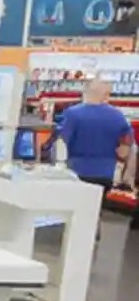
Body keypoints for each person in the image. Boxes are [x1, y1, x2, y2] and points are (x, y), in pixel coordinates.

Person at [57, 80, 133, 223]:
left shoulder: (72, 114)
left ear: (86, 92)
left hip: (76, 172)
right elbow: (124, 151)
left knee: (75, 213)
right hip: (105, 173)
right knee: (95, 212)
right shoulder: (118, 117)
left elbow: (62, 142)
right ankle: (94, 233)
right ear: (106, 95)